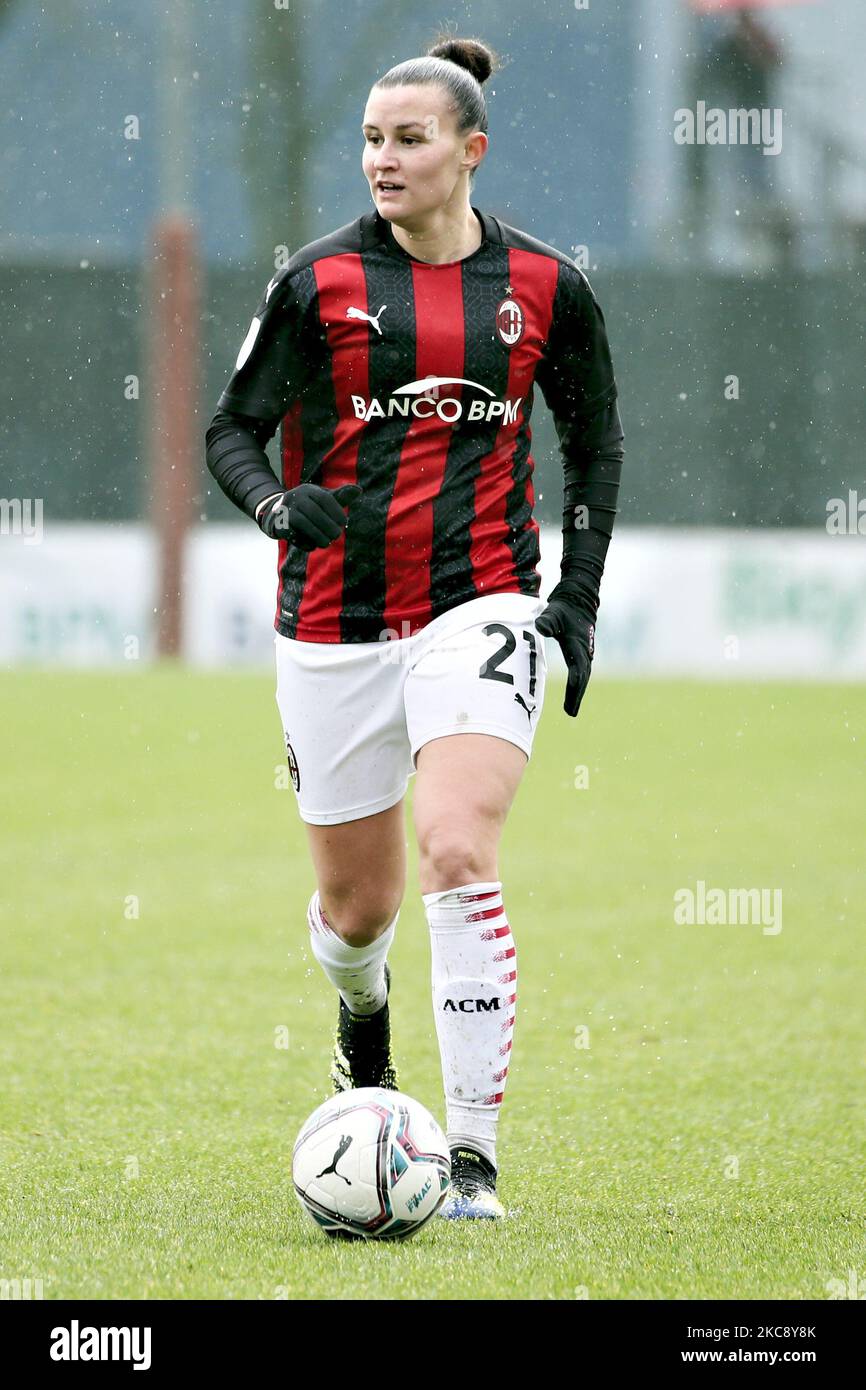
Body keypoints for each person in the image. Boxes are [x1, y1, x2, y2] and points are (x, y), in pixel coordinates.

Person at [205, 33, 625, 1221]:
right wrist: (277, 504)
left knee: (455, 848)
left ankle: (474, 1160)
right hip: (331, 620)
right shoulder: (318, 284)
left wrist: (575, 596)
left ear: (469, 150)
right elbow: (231, 429)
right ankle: (362, 1015)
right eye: (371, 141)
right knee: (356, 911)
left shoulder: (545, 288)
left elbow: (593, 442)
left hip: (479, 598)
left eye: (408, 140)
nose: (382, 161)